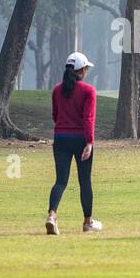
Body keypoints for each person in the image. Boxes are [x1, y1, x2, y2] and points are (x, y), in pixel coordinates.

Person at [46, 51, 101, 235]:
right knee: (85, 181)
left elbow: (55, 115)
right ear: (83, 69)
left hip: (60, 138)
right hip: (80, 140)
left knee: (60, 181)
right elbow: (88, 118)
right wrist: (90, 142)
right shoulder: (88, 91)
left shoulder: (56, 90)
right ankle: (87, 222)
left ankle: (52, 216)